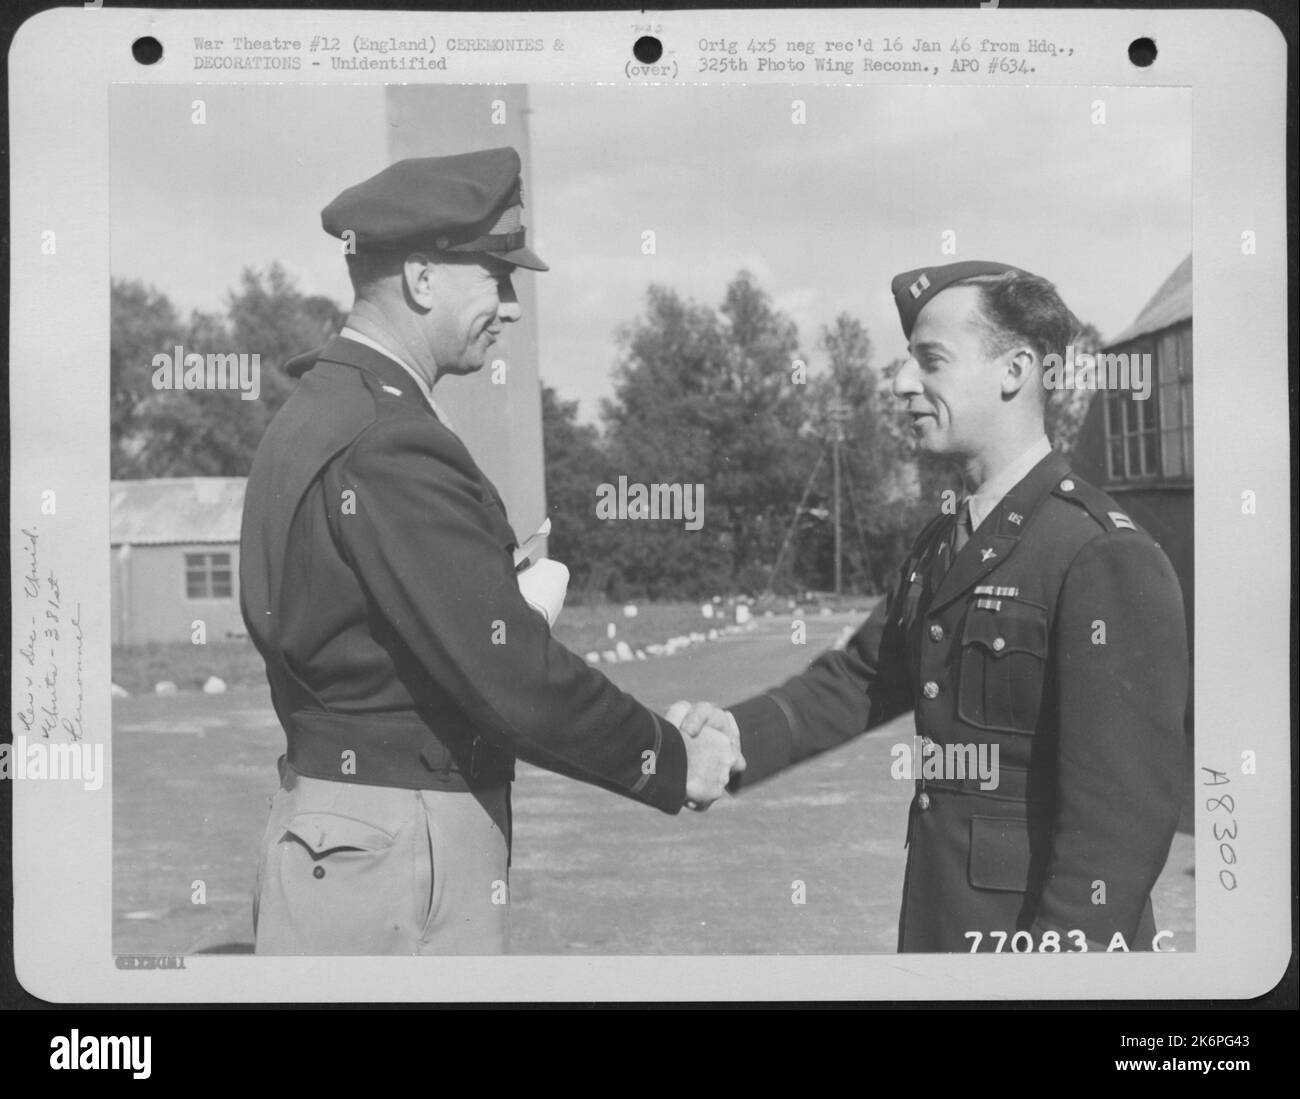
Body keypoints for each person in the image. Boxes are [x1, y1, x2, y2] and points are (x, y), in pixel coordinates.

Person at [240, 147, 739, 955]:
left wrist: (495, 596)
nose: (510, 306)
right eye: (497, 278)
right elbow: (511, 683)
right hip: (400, 836)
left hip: (342, 825)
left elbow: (368, 628)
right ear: (424, 278)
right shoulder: (392, 440)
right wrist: (675, 758)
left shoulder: (324, 407)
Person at [674, 260, 1188, 953]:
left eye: (930, 361)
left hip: (1037, 948)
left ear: (1014, 369)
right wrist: (731, 739)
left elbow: (1121, 821)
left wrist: (1061, 977)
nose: (901, 383)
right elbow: (861, 676)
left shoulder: (1098, 553)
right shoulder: (943, 543)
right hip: (941, 929)